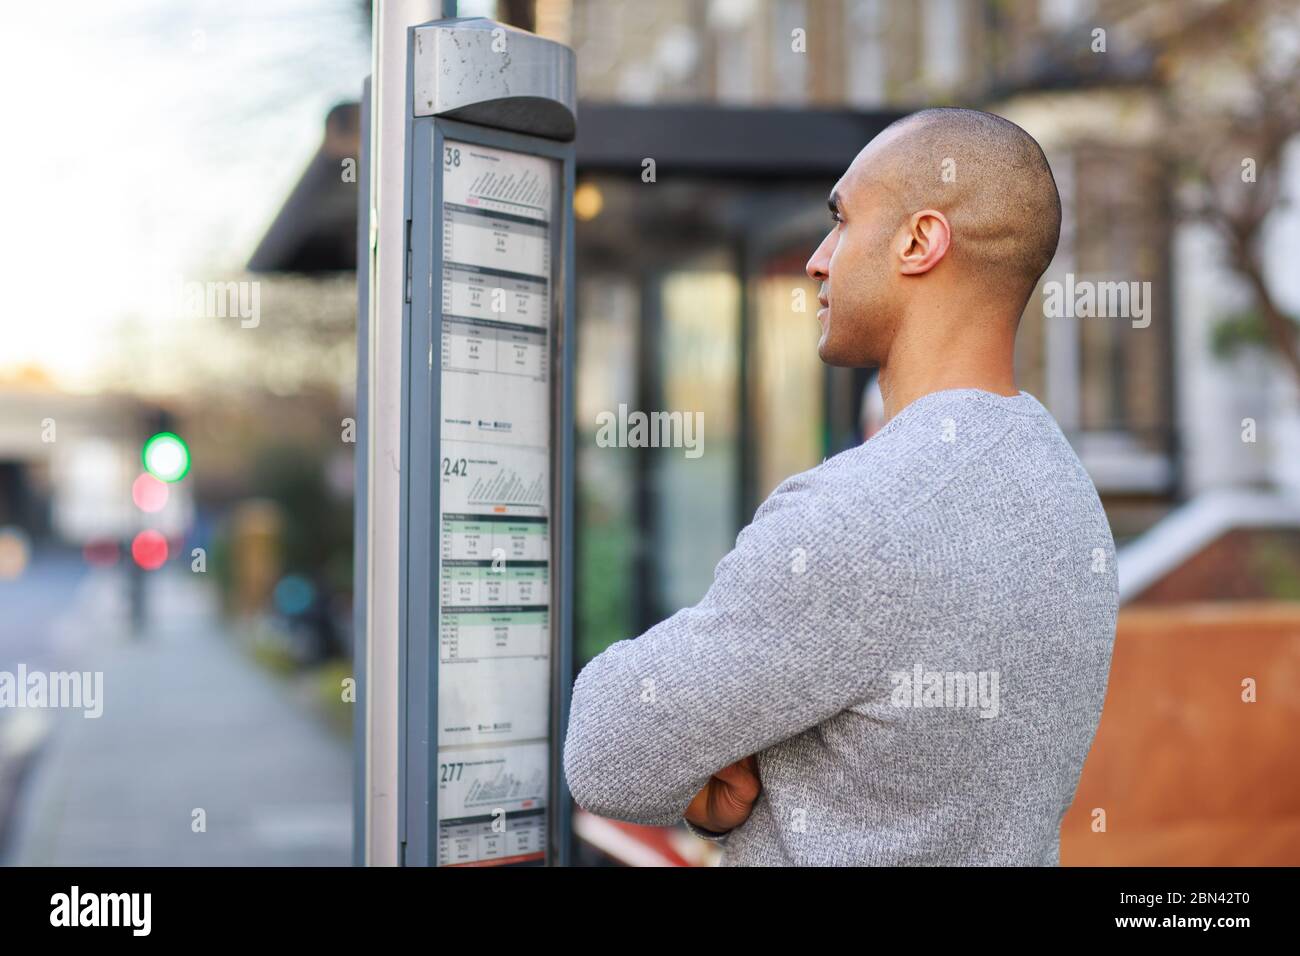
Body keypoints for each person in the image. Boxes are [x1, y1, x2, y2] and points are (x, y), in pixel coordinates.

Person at [562, 107, 1118, 865]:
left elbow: (605, 749)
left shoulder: (859, 515)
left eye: (842, 221)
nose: (817, 260)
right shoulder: (1067, 496)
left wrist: (717, 783)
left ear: (920, 242)